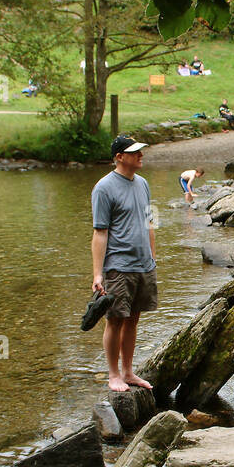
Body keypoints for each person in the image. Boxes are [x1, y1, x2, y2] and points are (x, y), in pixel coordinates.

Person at [91, 135, 158, 393]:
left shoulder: (142, 184)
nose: (141, 155)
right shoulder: (104, 188)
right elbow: (100, 233)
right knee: (115, 319)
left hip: (143, 265)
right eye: (134, 152)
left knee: (133, 319)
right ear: (120, 157)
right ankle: (113, 374)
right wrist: (98, 274)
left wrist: (153, 257)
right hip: (118, 266)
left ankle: (129, 372)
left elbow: (148, 222)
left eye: (141, 151)